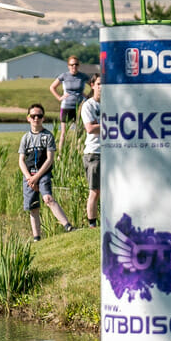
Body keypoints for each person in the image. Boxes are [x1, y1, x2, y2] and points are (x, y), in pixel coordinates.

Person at [18, 104, 75, 239]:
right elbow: (21, 160)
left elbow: (50, 159)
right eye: (33, 116)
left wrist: (37, 177)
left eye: (39, 116)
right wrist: (29, 177)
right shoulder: (25, 138)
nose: (36, 118)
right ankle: (37, 237)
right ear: (28, 118)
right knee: (33, 207)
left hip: (43, 174)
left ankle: (67, 226)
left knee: (48, 198)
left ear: (43, 118)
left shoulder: (47, 136)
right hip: (28, 176)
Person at [49, 54, 90, 148]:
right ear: (68, 66)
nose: (74, 66)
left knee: (80, 131)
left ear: (78, 65)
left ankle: (79, 151)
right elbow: (52, 87)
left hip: (79, 107)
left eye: (76, 64)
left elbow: (93, 85)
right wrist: (59, 97)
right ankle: (60, 154)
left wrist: (87, 96)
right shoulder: (64, 76)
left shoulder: (82, 76)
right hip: (66, 106)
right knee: (64, 132)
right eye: (72, 65)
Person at [80, 76, 104, 225]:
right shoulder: (89, 106)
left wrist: (100, 126)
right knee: (95, 191)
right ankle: (92, 225)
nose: (102, 87)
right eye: (99, 84)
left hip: (111, 152)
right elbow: (90, 128)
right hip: (94, 153)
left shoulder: (111, 104)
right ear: (92, 85)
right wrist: (113, 126)